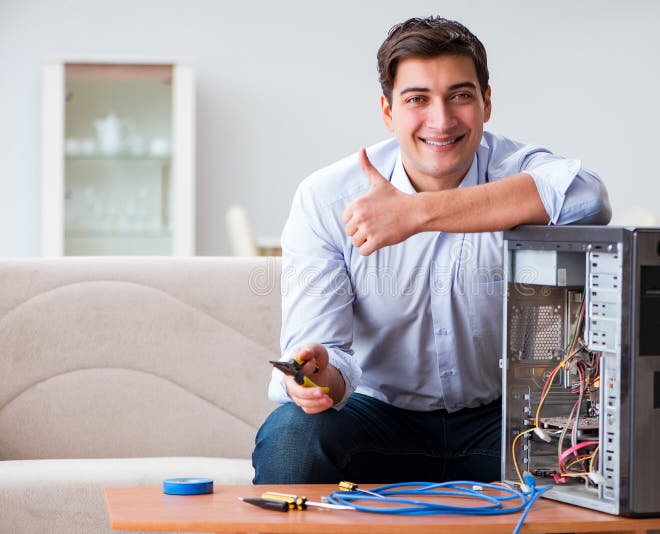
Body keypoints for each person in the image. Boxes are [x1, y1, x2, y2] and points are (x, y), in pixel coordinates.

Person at [252, 16, 611, 484]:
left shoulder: (516, 169)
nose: (441, 121)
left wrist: (417, 212)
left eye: (460, 96)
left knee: (601, 450)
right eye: (417, 99)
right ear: (388, 111)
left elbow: (589, 201)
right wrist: (318, 381)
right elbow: (332, 361)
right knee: (290, 435)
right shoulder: (327, 198)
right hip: (380, 421)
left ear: (486, 102)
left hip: (503, 425)